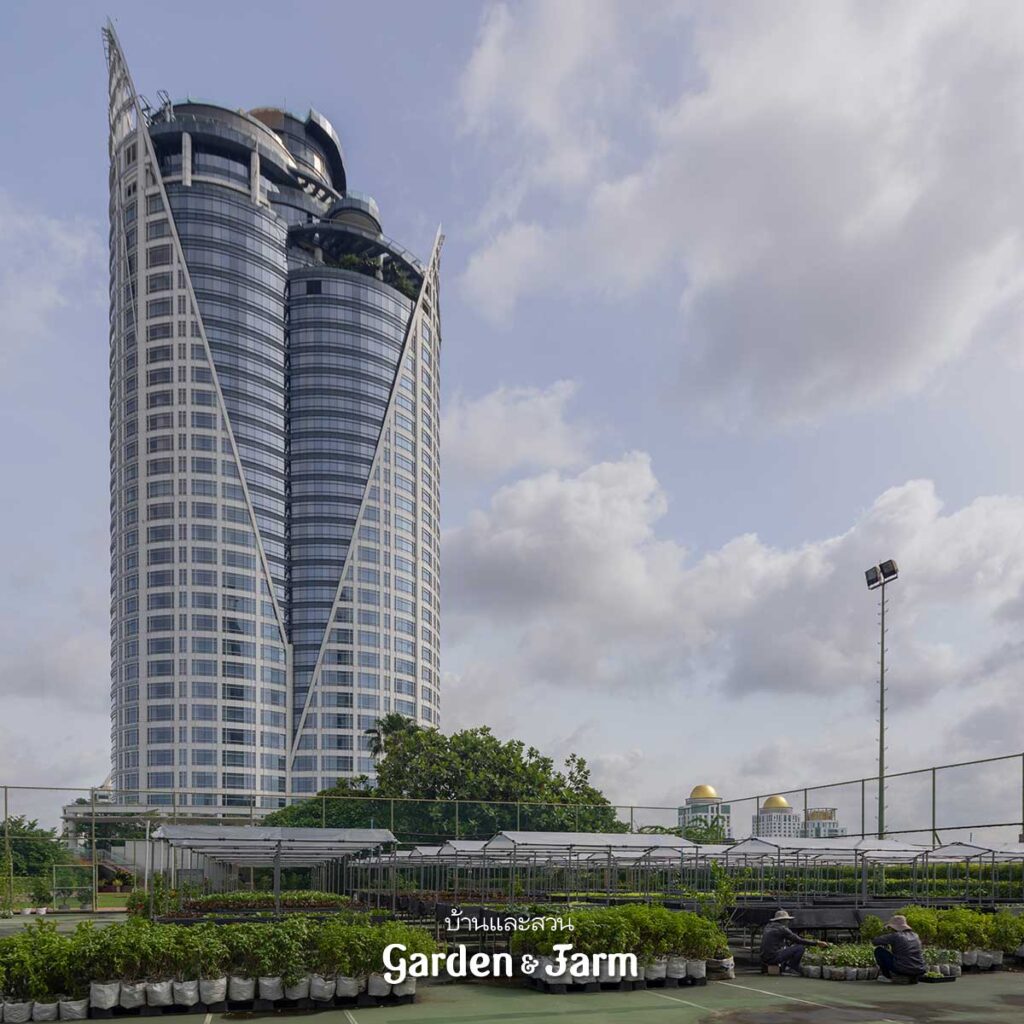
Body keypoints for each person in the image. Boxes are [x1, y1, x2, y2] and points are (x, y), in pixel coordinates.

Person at [760, 909, 829, 975]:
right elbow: (798, 940)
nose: (788, 922)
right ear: (783, 920)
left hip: (764, 958)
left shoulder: (768, 926)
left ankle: (786, 965)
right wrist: (817, 943)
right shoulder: (782, 929)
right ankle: (793, 966)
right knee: (800, 948)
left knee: (786, 947)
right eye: (787, 920)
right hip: (772, 957)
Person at [871, 915, 926, 983]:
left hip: (902, 968)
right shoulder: (915, 935)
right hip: (919, 969)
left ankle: (887, 976)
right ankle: (913, 976)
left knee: (879, 950)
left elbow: (875, 941)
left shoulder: (896, 936)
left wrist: (886, 937)